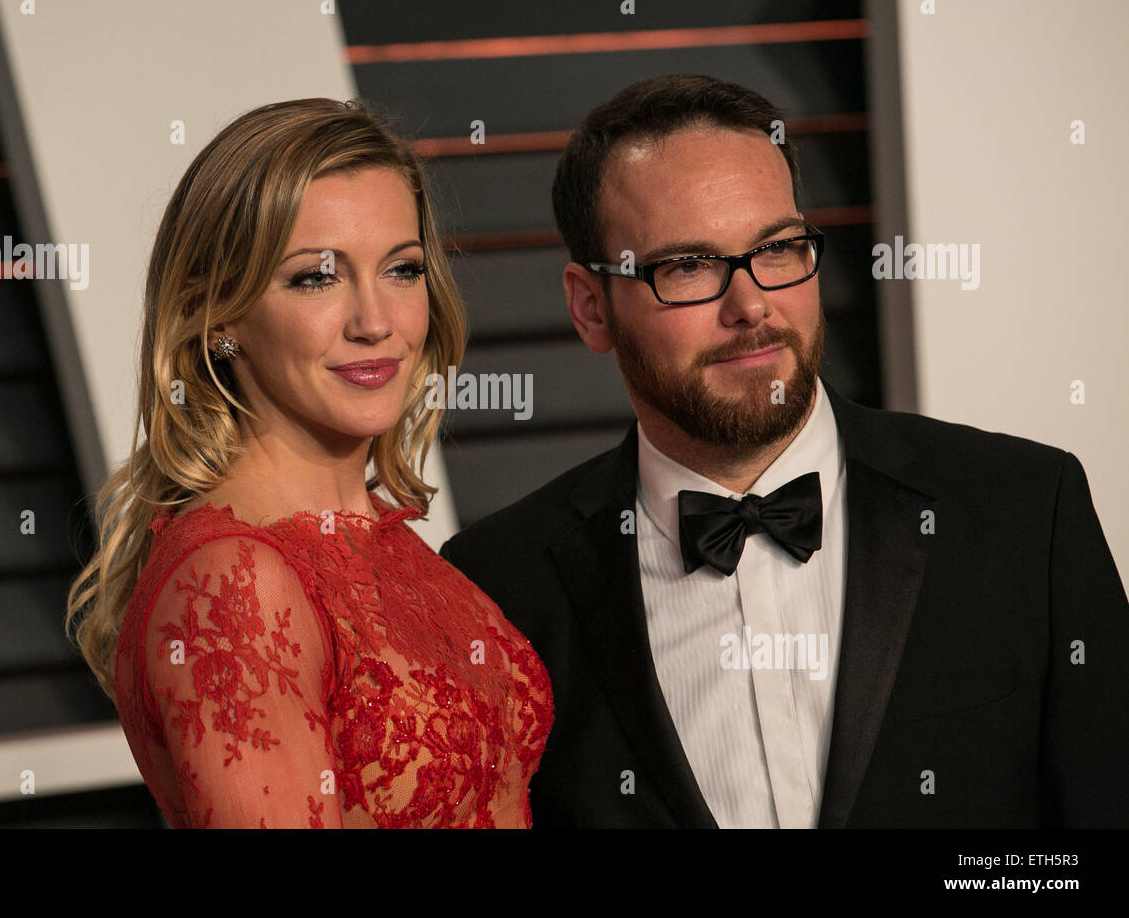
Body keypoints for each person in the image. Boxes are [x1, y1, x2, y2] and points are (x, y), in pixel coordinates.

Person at [439, 74, 1129, 828]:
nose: (752, 306)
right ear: (590, 306)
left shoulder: (1026, 510)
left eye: (776, 248)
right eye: (688, 267)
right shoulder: (495, 589)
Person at [65, 98, 553, 828]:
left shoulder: (392, 548)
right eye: (316, 278)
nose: (375, 322)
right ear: (217, 314)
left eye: (402, 269)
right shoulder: (234, 583)